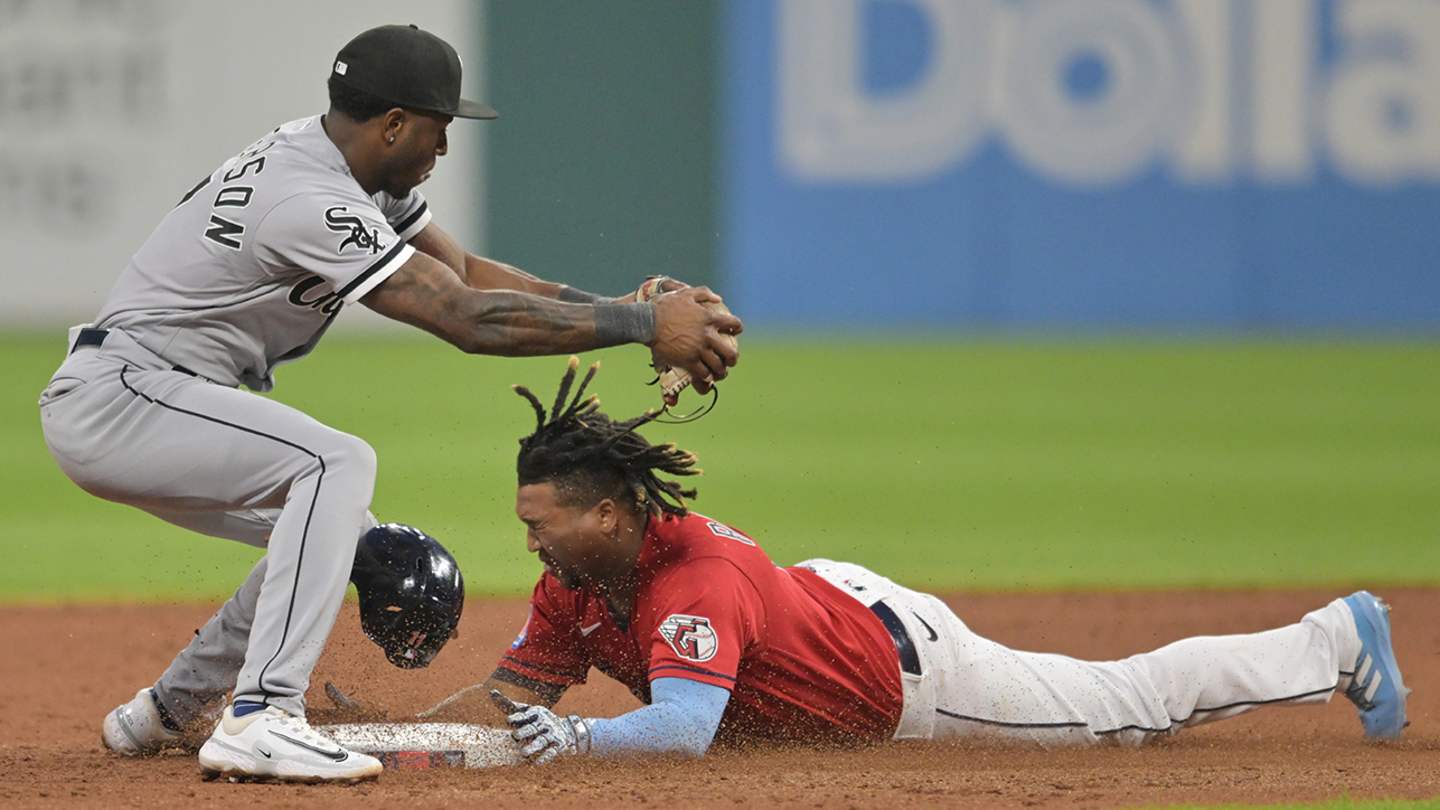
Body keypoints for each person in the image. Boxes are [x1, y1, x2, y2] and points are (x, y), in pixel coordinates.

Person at [37, 24, 740, 784]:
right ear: (394, 124)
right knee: (337, 462)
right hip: (126, 396)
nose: (441, 150)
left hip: (151, 394)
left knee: (336, 528)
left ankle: (166, 712)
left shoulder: (341, 169)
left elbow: (468, 273)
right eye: (438, 130)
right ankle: (261, 715)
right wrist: (641, 324)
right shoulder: (308, 198)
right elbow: (464, 319)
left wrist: (619, 311)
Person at [440, 359, 1408, 764]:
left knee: (1123, 707)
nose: (529, 541)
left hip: (909, 675)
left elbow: (686, 729)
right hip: (812, 603)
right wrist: (407, 732)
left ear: (609, 515)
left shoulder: (690, 582)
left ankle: (1333, 641)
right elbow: (515, 691)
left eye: (543, 523)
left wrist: (580, 743)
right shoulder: (575, 579)